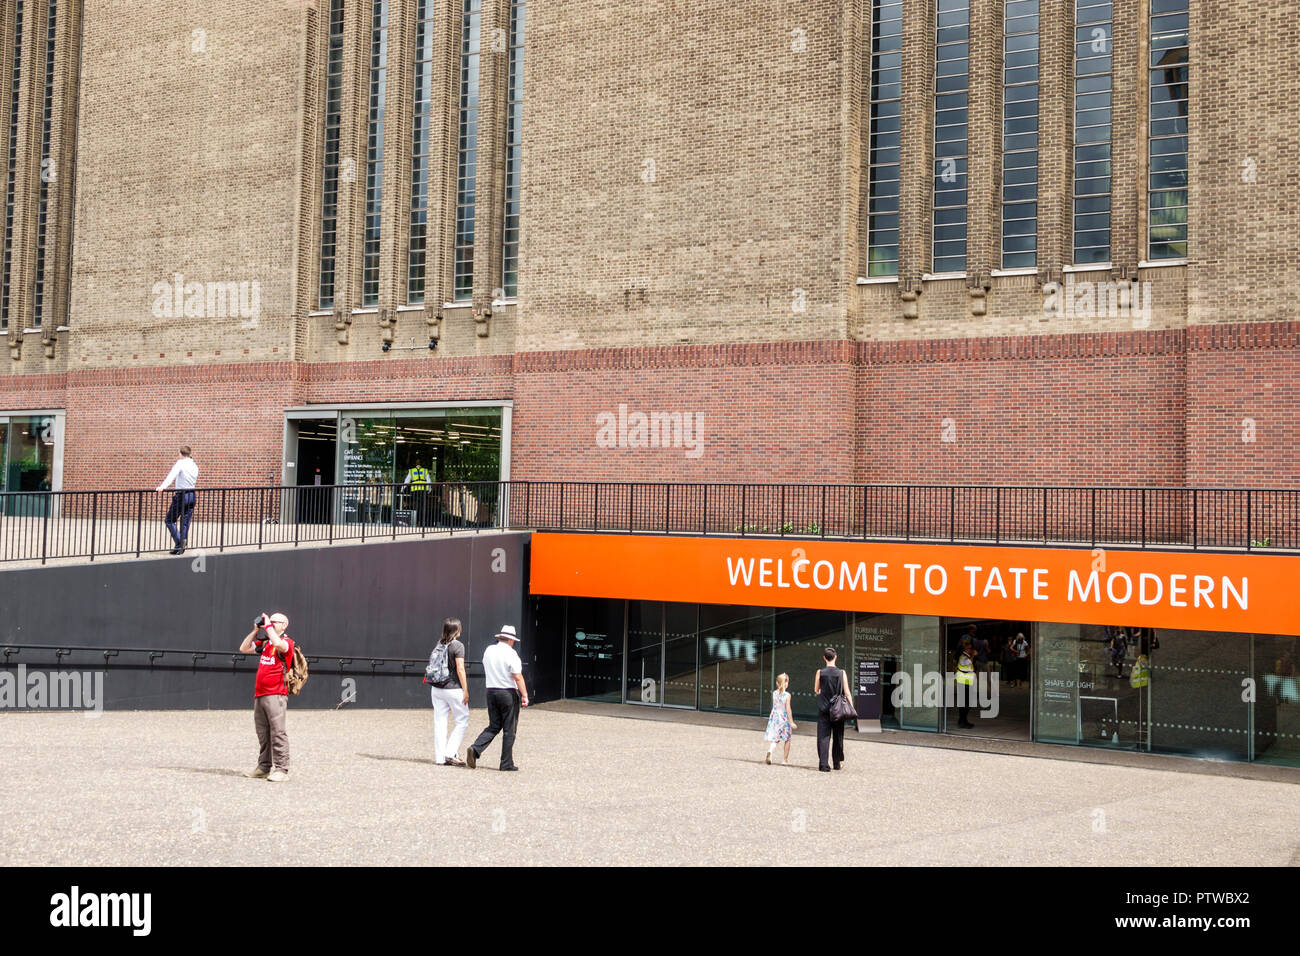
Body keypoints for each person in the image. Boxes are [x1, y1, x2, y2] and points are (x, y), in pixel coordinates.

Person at [238, 612, 294, 782]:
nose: (270, 624)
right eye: (271, 621)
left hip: (276, 693)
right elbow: (243, 648)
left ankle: (281, 769)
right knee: (263, 733)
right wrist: (255, 630)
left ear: (284, 625)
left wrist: (268, 625)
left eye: (275, 621)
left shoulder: (287, 642)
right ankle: (263, 767)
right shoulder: (264, 643)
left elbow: (279, 644)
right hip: (260, 693)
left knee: (278, 732)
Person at [466, 624, 528, 771]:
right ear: (512, 640)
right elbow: (517, 676)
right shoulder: (511, 654)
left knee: (494, 725)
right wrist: (525, 695)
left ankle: (475, 748)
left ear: (500, 637)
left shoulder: (489, 650)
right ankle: (506, 763)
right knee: (509, 729)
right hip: (507, 692)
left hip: (491, 691)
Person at [428, 617, 469, 766]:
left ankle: (440, 758)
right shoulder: (458, 645)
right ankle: (450, 753)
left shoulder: (439, 644)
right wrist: (465, 690)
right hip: (453, 688)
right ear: (457, 630)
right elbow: (460, 668)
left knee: (440, 723)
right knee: (462, 721)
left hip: (436, 688)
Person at [155, 445, 198, 555]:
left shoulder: (180, 463)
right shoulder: (194, 465)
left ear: (181, 454)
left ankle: (180, 542)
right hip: (192, 495)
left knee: (169, 520)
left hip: (182, 495)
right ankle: (180, 545)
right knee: (185, 522)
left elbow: (171, 476)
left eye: (178, 454)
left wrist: (162, 487)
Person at [813, 647, 849, 772]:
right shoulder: (842, 673)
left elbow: (816, 690)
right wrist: (851, 707)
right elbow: (847, 692)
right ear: (836, 657)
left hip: (824, 708)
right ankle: (836, 763)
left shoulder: (820, 672)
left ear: (824, 658)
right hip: (838, 709)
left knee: (823, 736)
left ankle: (823, 765)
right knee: (838, 736)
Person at [763, 672, 796, 765]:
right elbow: (788, 709)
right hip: (784, 718)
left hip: (775, 718)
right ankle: (784, 760)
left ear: (777, 683)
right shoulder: (787, 695)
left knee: (776, 738)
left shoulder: (774, 693)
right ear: (786, 683)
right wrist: (791, 721)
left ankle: (770, 750)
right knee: (787, 739)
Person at [954, 636, 976, 728]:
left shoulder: (965, 656)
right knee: (965, 702)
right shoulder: (963, 657)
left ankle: (963, 720)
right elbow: (969, 662)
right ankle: (962, 721)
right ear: (966, 649)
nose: (971, 650)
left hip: (966, 681)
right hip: (963, 682)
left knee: (967, 702)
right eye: (970, 648)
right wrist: (973, 655)